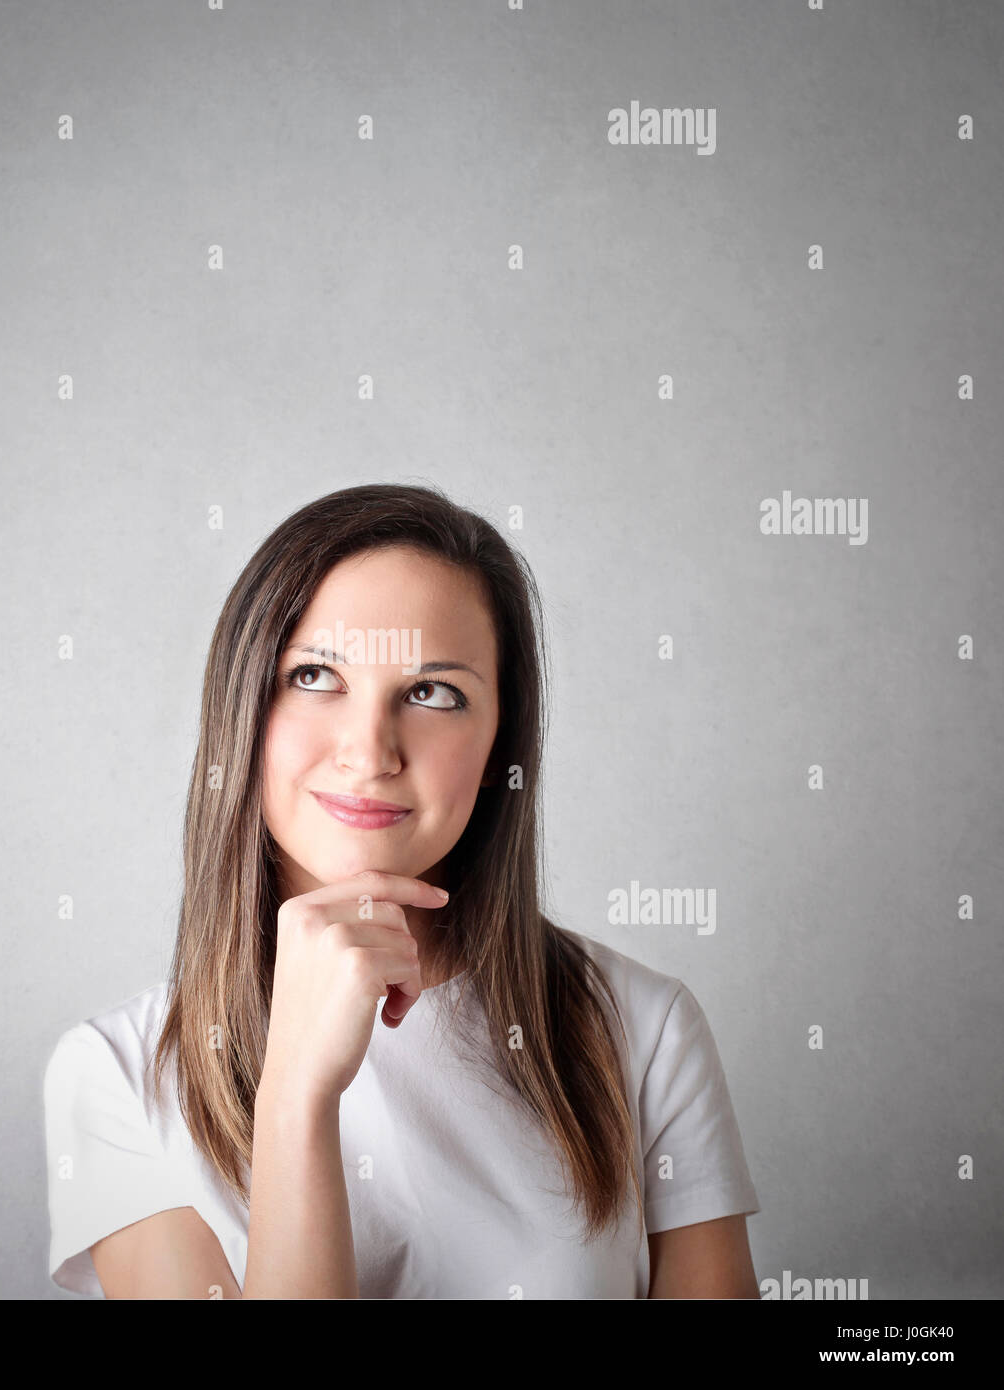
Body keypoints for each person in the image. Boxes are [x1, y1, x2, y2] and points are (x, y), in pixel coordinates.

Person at [43, 482, 760, 1298]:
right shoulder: (116, 1075)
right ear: (243, 705)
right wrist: (296, 1100)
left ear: (498, 748)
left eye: (432, 693)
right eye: (315, 675)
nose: (370, 749)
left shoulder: (643, 1028)